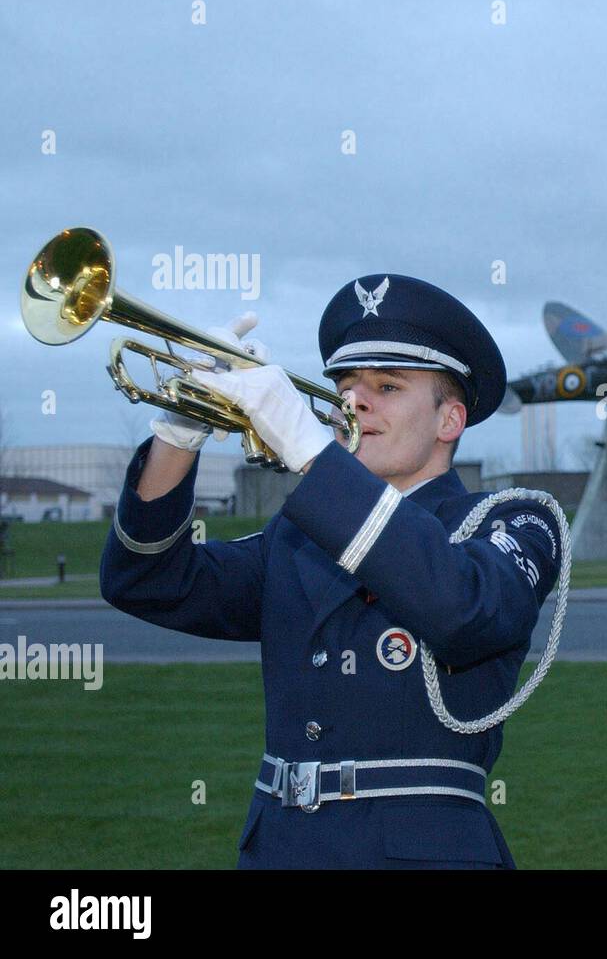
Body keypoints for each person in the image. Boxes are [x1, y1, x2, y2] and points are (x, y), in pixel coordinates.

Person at [100, 274, 565, 869]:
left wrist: (311, 455)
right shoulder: (298, 537)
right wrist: (179, 431)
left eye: (387, 386)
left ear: (449, 421)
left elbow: (461, 608)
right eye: (345, 386)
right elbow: (146, 580)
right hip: (281, 851)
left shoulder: (513, 519)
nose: (354, 402)